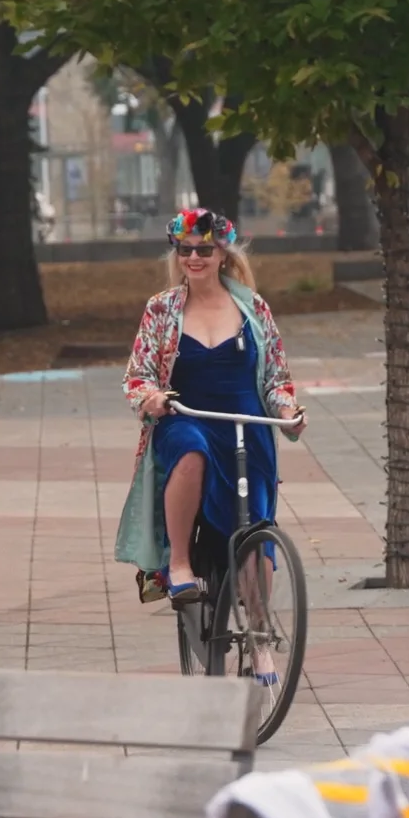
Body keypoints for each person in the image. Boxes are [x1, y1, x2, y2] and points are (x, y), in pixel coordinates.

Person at [115, 209, 305, 621]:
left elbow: (276, 379)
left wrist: (289, 412)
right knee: (191, 450)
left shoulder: (253, 307)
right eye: (185, 250)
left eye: (204, 249)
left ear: (223, 254)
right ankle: (179, 564)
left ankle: (261, 641)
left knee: (257, 528)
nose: (194, 258)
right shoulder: (162, 309)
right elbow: (137, 376)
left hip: (246, 425)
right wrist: (152, 399)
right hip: (184, 415)